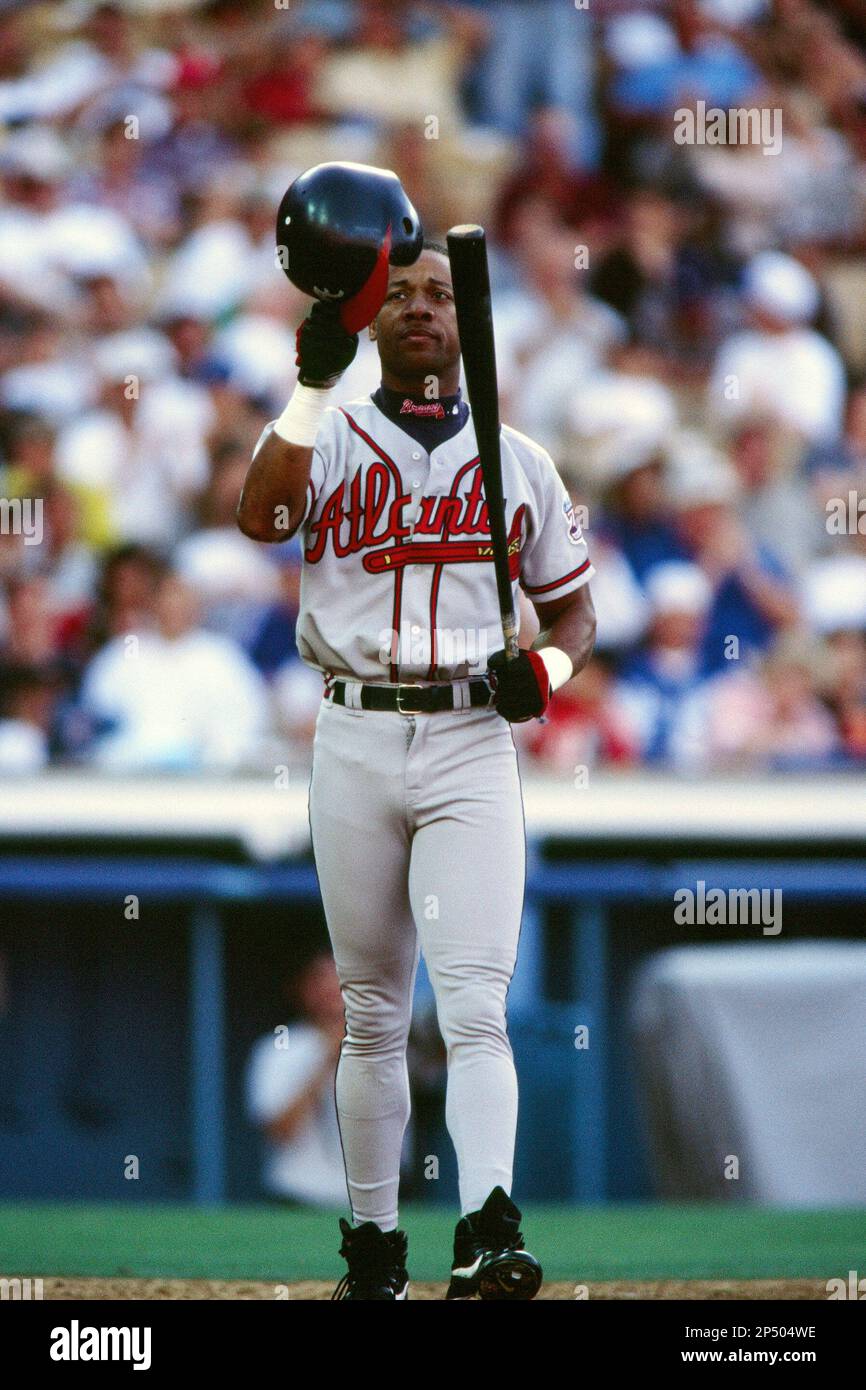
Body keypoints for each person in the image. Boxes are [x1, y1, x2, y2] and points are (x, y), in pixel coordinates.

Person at [236, 241, 597, 1299]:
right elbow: (260, 517)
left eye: (439, 293)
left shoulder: (517, 455)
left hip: (471, 735)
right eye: (397, 294)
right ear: (367, 316)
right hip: (350, 728)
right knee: (372, 1007)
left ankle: (487, 1226)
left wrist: (551, 663)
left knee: (475, 1003)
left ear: (465, 319)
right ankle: (373, 1248)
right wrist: (306, 387)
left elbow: (577, 607)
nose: (421, 309)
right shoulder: (326, 430)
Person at [245, 953, 348, 1208]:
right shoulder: (277, 1048)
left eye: (339, 978)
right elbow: (280, 1131)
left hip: (380, 1205)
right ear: (302, 989)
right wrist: (325, 1062)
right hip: (297, 1199)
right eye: (319, 980)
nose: (330, 989)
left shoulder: (389, 1045)